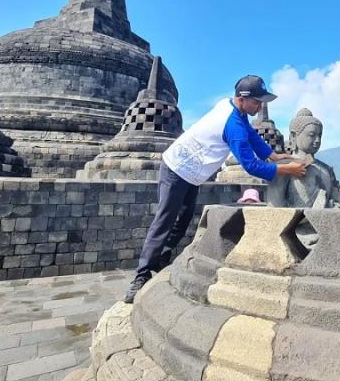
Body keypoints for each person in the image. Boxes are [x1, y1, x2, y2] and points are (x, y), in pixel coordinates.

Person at [123, 75, 307, 303]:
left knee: (183, 220)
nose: (260, 106)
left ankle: (161, 260)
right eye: (257, 101)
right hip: (176, 168)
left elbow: (251, 134)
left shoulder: (231, 107)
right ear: (242, 99)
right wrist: (288, 170)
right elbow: (251, 166)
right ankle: (140, 278)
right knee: (164, 221)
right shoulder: (232, 125)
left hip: (192, 174)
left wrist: (273, 155)